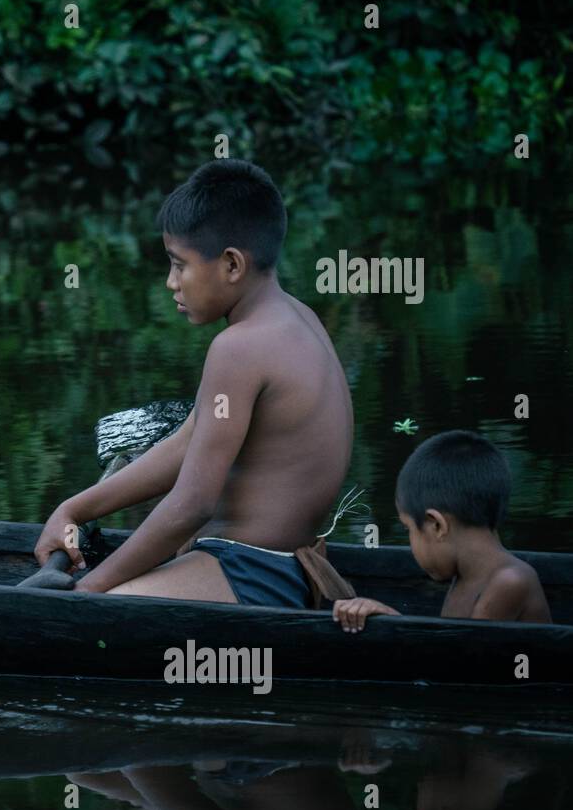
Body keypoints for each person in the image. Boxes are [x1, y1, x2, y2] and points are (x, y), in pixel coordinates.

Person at [34, 159, 353, 605]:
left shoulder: (238, 348)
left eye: (179, 265)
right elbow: (186, 446)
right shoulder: (300, 318)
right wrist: (74, 508)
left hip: (253, 574)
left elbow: (193, 505)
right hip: (278, 567)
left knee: (71, 616)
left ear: (231, 265)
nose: (171, 283)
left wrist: (89, 588)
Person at [333, 430, 550, 631]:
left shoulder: (510, 582)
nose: (410, 542)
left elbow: (458, 661)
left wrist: (394, 620)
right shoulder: (465, 575)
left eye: (409, 528)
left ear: (437, 525)